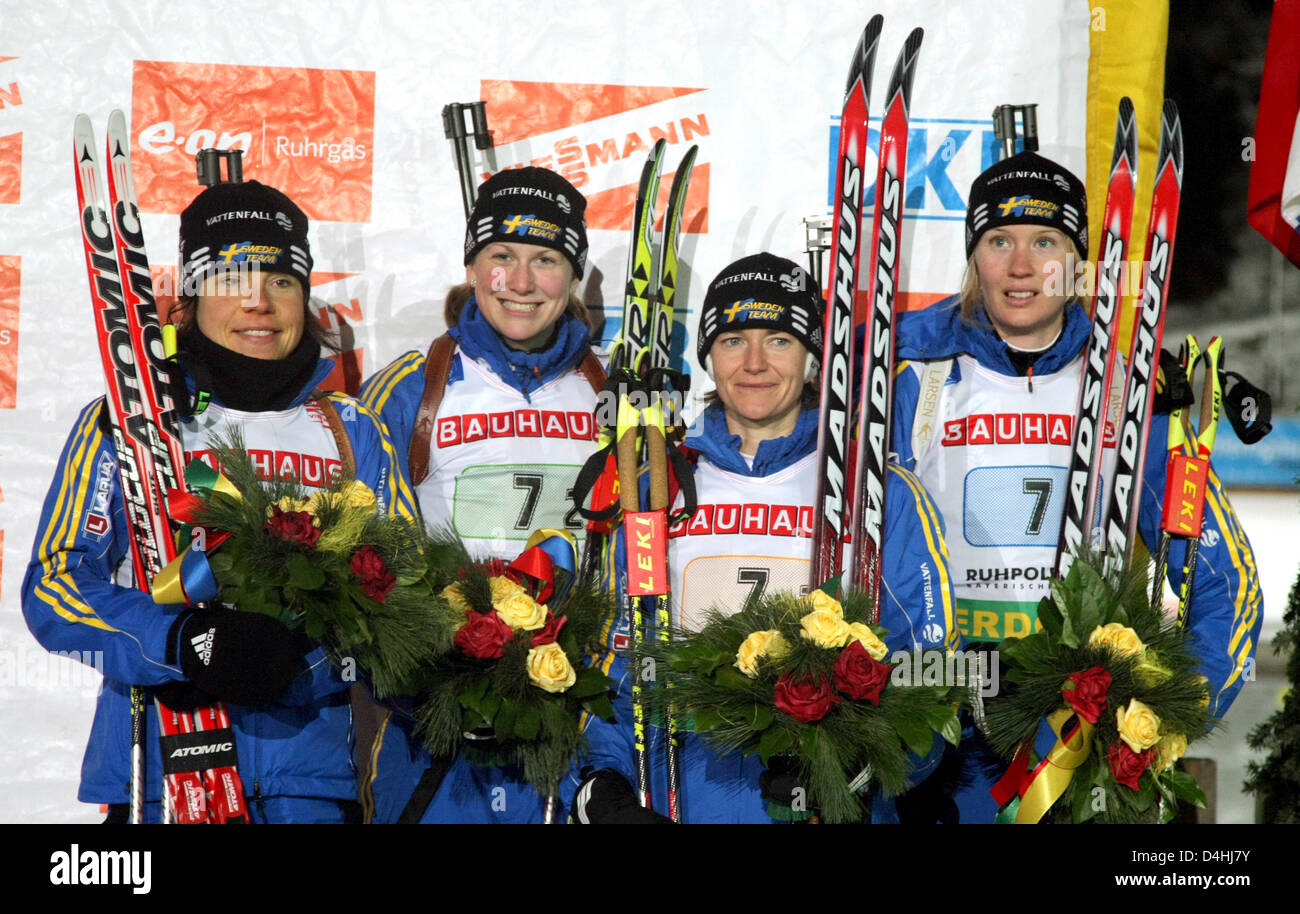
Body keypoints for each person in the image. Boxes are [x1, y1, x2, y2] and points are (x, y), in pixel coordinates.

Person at [22, 178, 417, 823]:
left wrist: (302, 662)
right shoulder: (129, 423)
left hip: (311, 785)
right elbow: (56, 587)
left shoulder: (353, 430)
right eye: (233, 278)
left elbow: (403, 599)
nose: (259, 302)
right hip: (159, 775)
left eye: (283, 280)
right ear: (194, 293)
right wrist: (181, 641)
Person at [889, 150, 1264, 822]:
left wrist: (1157, 719)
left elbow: (1223, 583)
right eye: (999, 240)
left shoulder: (1125, 390)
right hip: (927, 719)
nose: (1022, 265)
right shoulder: (899, 365)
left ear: (1078, 260)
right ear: (974, 254)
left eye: (1046, 242)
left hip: (1065, 727)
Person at [573, 252, 960, 824]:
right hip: (683, 797)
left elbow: (933, 674)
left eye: (779, 339)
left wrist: (854, 762)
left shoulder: (879, 492)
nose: (754, 363)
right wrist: (601, 785)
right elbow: (617, 658)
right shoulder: (653, 488)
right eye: (732, 340)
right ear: (707, 356)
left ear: (812, 358)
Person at [360, 166, 604, 823]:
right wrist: (429, 685)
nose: (520, 283)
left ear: (573, 276)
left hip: (577, 724)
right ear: (473, 266)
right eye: (501, 256)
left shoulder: (611, 393)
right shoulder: (411, 389)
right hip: (436, 733)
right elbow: (357, 565)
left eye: (545, 260)